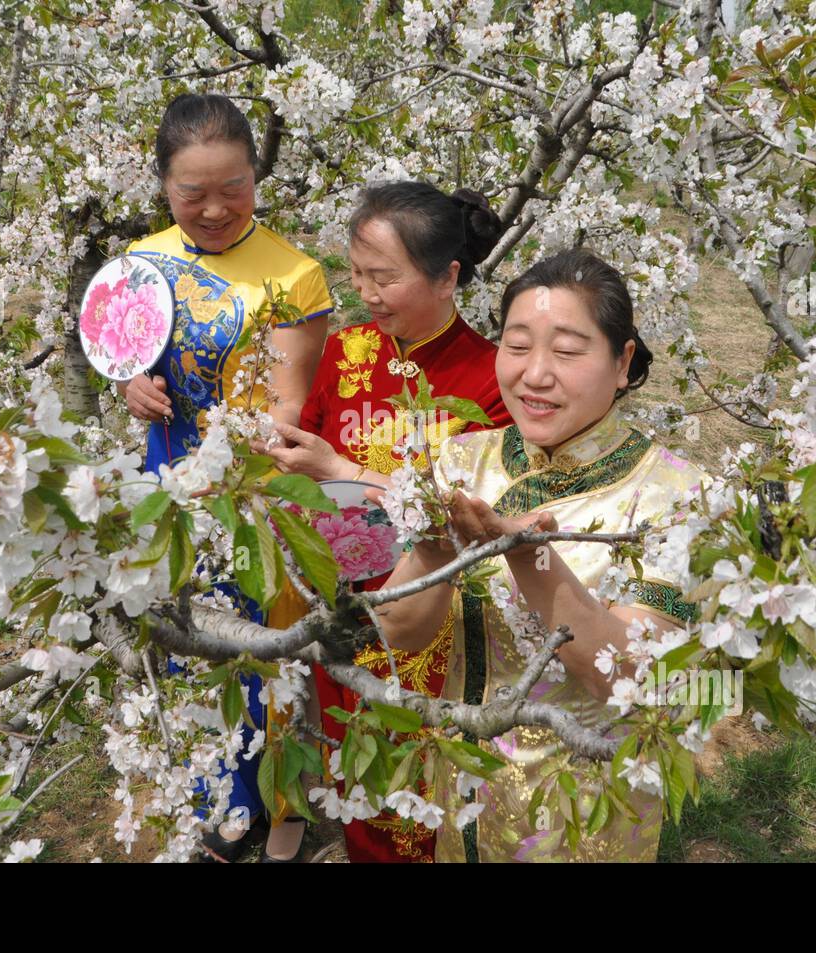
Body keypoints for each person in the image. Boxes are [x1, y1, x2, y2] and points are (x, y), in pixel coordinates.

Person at [374, 248, 705, 862]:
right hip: (466, 786)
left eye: (569, 351)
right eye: (518, 345)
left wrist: (525, 552)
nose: (535, 374)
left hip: (584, 802)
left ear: (623, 361)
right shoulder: (463, 461)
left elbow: (623, 676)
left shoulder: (675, 494)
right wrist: (432, 549)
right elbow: (400, 634)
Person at [265, 181, 513, 862]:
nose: (366, 292)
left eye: (385, 277)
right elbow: (305, 455)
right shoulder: (346, 353)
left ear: (448, 276)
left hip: (434, 620)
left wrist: (339, 467)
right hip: (342, 602)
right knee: (351, 756)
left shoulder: (490, 377)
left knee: (422, 778)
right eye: (357, 273)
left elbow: (473, 513)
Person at [118, 93, 331, 862]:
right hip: (164, 491)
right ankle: (213, 804)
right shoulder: (140, 264)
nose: (213, 208)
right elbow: (126, 362)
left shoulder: (294, 276)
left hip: (253, 504)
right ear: (163, 187)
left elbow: (287, 408)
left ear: (257, 175)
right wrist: (130, 389)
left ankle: (279, 820)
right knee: (184, 651)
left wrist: (227, 478)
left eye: (233, 186)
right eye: (191, 192)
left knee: (263, 664)